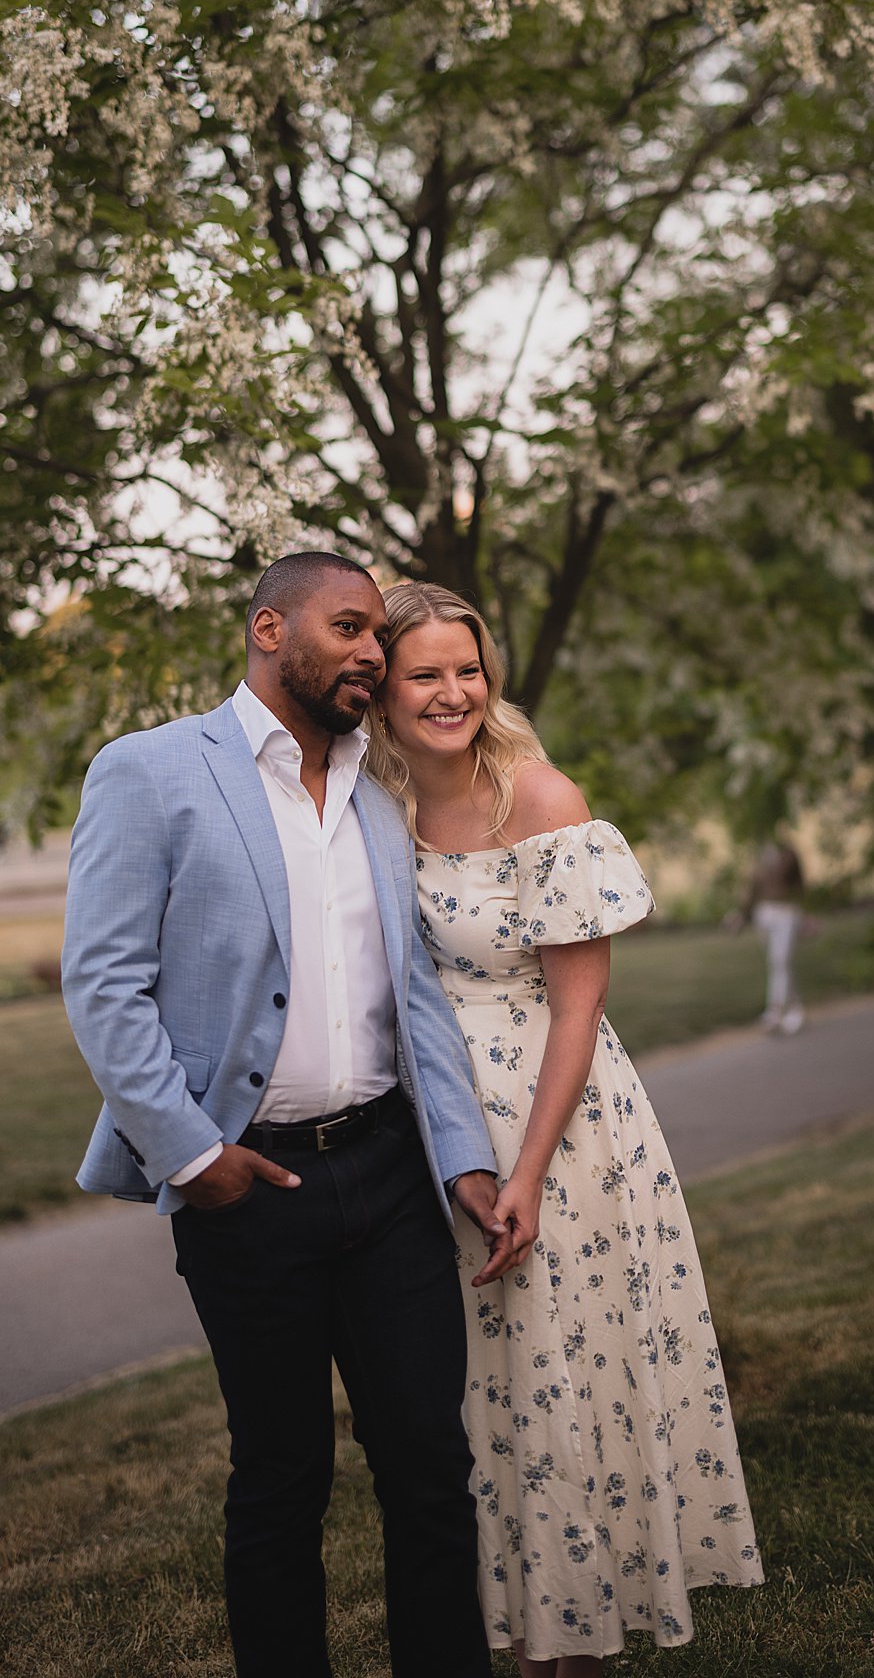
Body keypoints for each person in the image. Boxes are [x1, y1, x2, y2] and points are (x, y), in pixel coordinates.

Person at [61, 551, 512, 1678]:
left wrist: (459, 1156)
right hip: (249, 1187)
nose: (373, 651)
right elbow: (104, 983)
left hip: (390, 1175)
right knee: (280, 1479)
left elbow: (411, 990)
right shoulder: (153, 770)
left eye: (377, 635)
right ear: (271, 628)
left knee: (429, 1469)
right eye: (350, 628)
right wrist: (195, 1155)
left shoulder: (376, 784)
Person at [366, 582, 764, 1676]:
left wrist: (526, 1172)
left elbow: (580, 1005)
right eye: (424, 673)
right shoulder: (370, 802)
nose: (452, 692)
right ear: (384, 693)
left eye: (467, 669)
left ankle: (573, 1640)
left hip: (562, 1128)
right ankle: (499, 1626)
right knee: (472, 1401)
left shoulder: (539, 798)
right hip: (435, 1130)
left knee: (557, 1382)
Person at [740, 833, 807, 1034]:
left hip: (787, 912)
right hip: (765, 914)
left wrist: (806, 914)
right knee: (778, 963)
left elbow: (799, 885)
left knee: (781, 960)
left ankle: (774, 1012)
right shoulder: (761, 856)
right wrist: (742, 914)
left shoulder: (790, 855)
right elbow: (752, 887)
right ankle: (795, 1010)